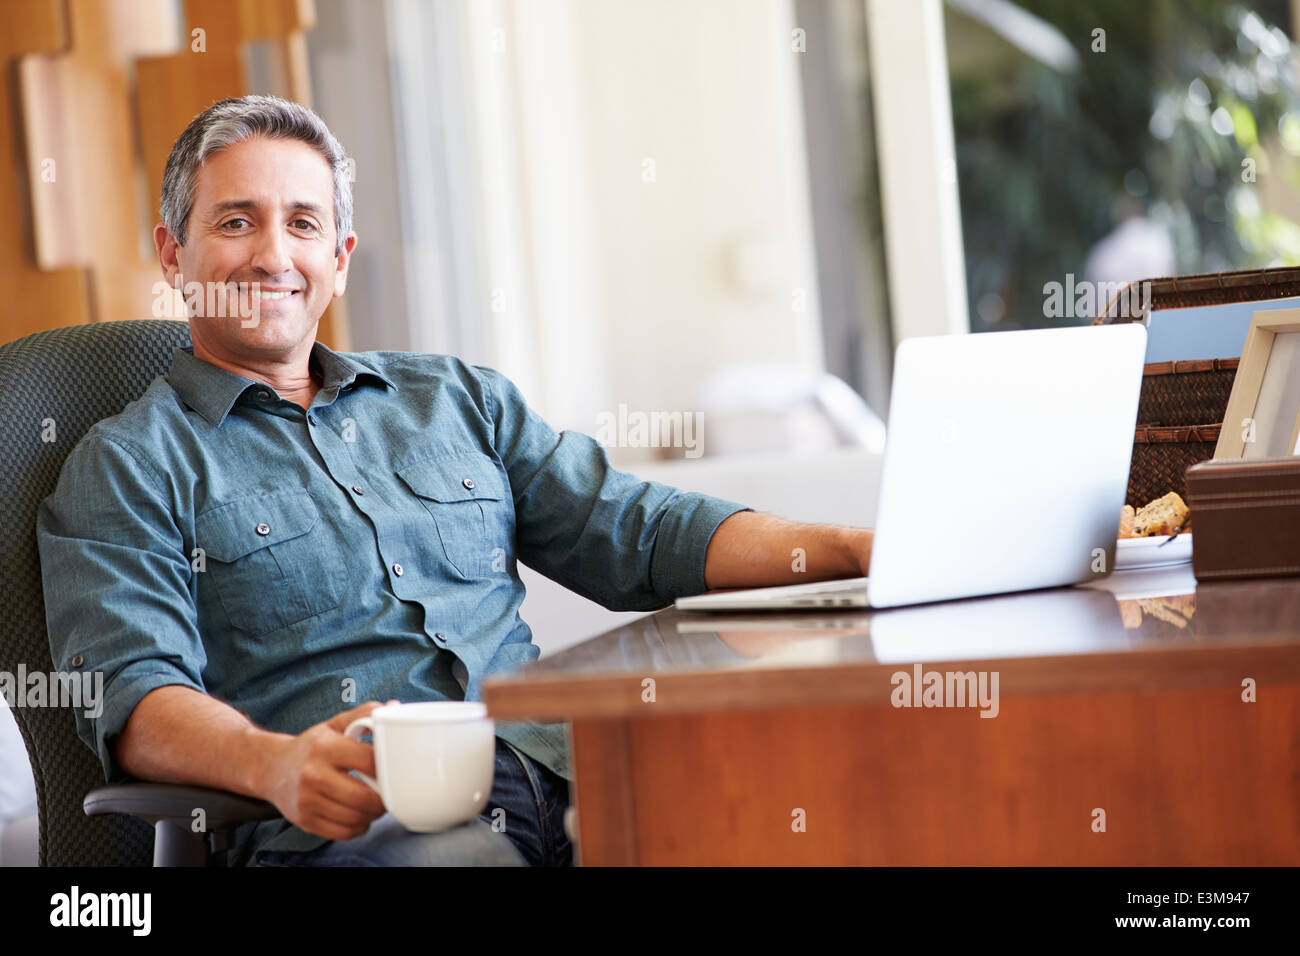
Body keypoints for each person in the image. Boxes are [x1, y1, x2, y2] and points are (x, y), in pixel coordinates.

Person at [35, 95, 874, 867]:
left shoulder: (456, 399)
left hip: (565, 772)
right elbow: (133, 692)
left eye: (302, 223)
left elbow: (639, 530)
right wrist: (277, 763)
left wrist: (858, 548)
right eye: (235, 222)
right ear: (173, 252)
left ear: (341, 256)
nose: (273, 255)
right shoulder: (128, 463)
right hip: (360, 825)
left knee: (787, 810)